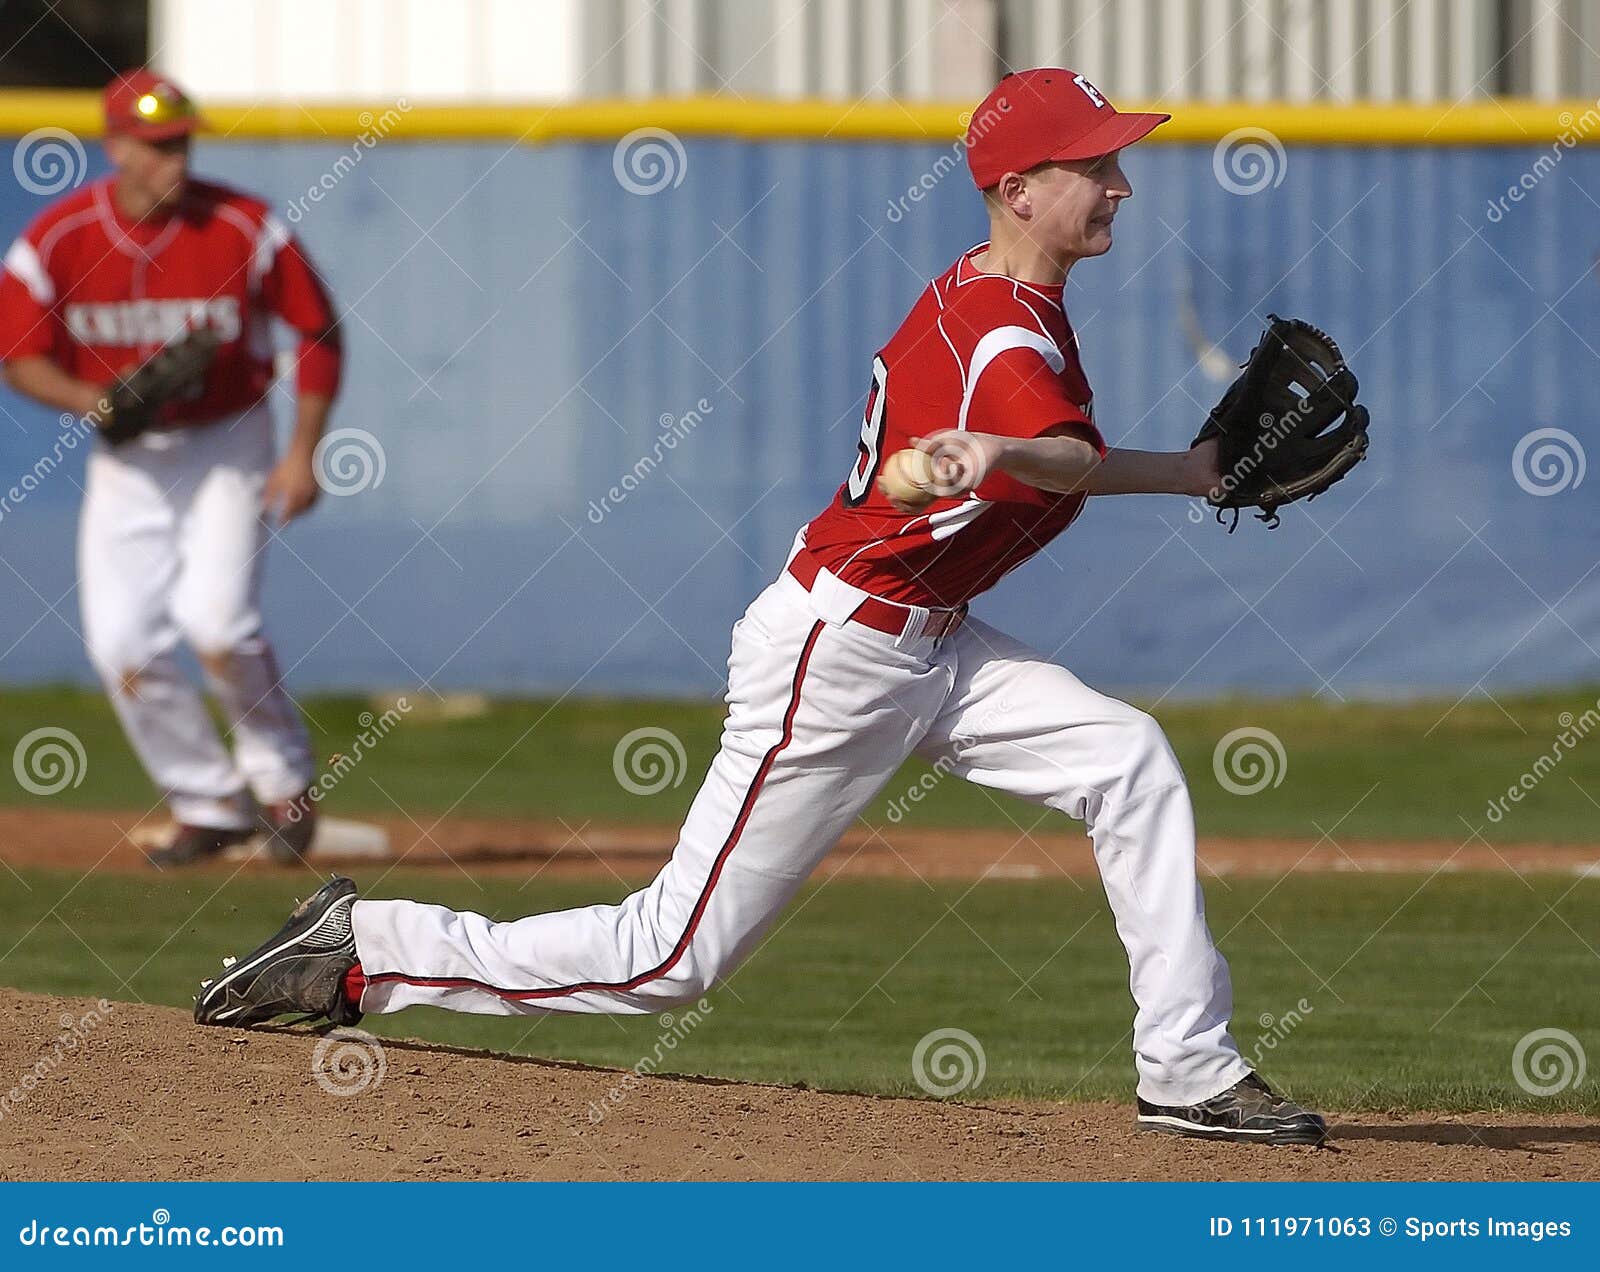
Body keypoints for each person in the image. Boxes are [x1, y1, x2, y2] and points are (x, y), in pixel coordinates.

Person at [193, 69, 1325, 1145]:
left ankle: (1189, 1069)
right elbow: (1054, 454)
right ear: (1018, 191)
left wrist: (1181, 471)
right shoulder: (1005, 334)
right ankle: (370, 948)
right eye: (1095, 165)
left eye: (1117, 161)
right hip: (839, 658)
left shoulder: (1000, 293)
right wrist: (1011, 449)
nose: (1121, 183)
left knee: (1126, 759)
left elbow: (1043, 458)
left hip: (931, 641)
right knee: (665, 961)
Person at [0, 69, 343, 867]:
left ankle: (281, 778)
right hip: (129, 458)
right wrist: (93, 398)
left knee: (215, 622)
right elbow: (18, 356)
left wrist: (304, 451)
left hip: (231, 438)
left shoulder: (244, 226)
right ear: (115, 145)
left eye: (180, 143)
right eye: (154, 147)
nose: (172, 161)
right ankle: (206, 801)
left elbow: (317, 332)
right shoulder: (58, 239)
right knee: (121, 646)